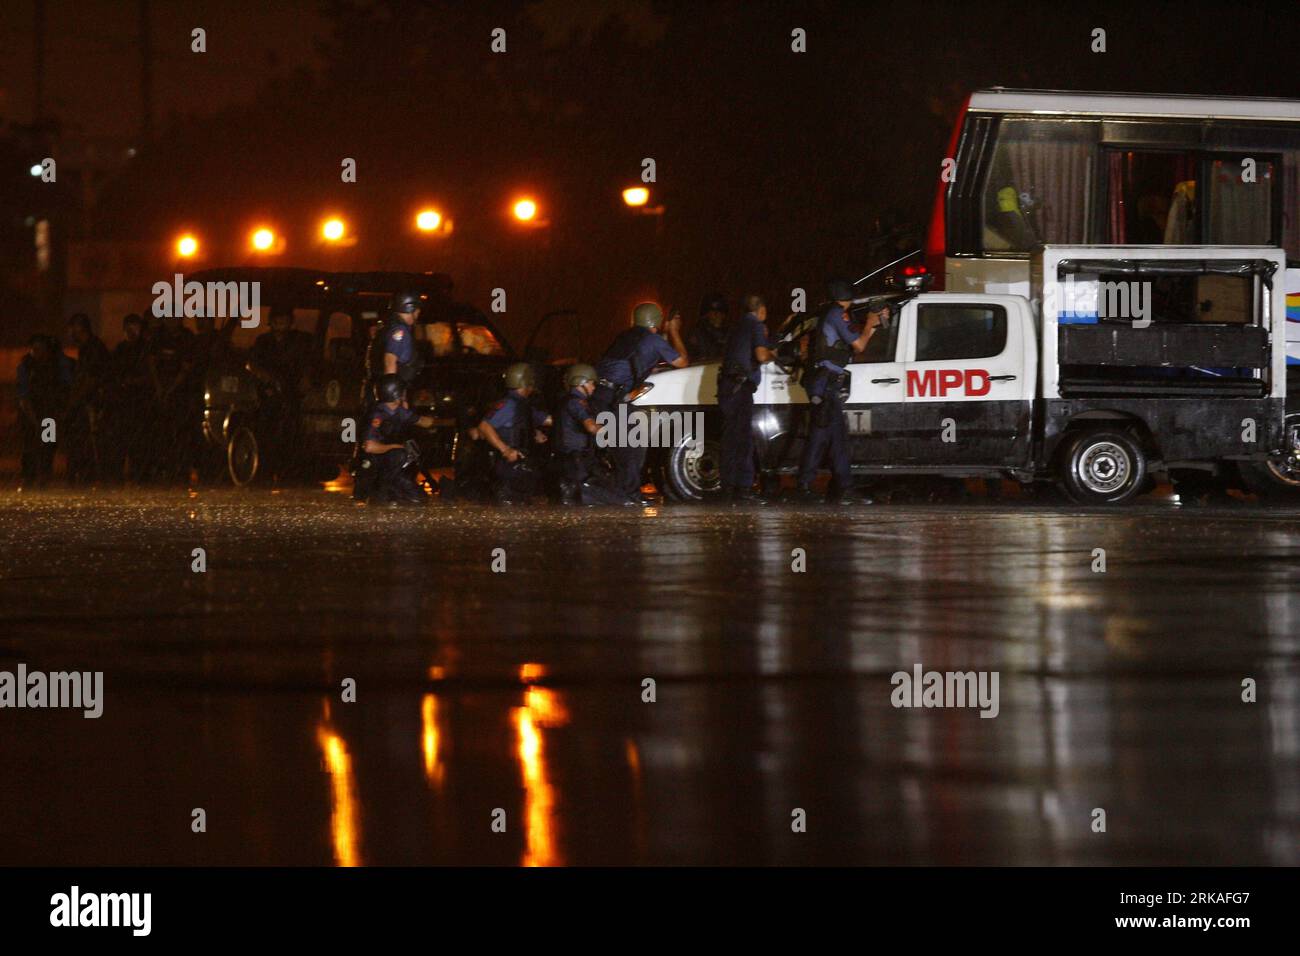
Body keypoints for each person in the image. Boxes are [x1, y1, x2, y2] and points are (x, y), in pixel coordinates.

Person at [794, 280, 884, 504]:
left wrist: (871, 322)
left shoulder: (830, 313)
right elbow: (859, 345)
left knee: (828, 438)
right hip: (825, 384)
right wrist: (871, 324)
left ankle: (820, 486)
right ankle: (832, 488)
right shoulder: (837, 314)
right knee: (829, 438)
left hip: (824, 384)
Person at [592, 302, 689, 503]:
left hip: (599, 394)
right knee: (632, 448)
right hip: (616, 398)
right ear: (656, 322)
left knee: (618, 448)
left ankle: (621, 493)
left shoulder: (626, 337)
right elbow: (682, 361)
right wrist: (673, 331)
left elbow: (640, 364)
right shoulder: (652, 339)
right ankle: (627, 496)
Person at [718, 294, 776, 503]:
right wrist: (773, 354)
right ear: (761, 310)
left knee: (730, 440)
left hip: (727, 386)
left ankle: (728, 487)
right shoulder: (756, 325)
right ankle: (743, 488)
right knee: (743, 441)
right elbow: (761, 355)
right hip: (741, 389)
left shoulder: (736, 327)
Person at [246, 307, 313, 482]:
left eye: (284, 321)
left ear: (290, 323)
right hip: (268, 392)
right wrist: (266, 378)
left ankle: (288, 468)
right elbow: (252, 364)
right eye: (277, 321)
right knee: (267, 430)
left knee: (291, 430)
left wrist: (304, 379)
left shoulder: (299, 341)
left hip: (291, 391)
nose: (280, 325)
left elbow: (307, 363)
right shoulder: (263, 341)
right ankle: (266, 468)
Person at [476, 363, 551, 504]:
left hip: (519, 467)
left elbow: (545, 420)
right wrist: (505, 449)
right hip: (509, 467)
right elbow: (484, 426)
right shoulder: (510, 404)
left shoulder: (521, 404)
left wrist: (533, 434)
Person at [355, 374, 435, 505]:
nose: (405, 394)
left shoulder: (398, 410)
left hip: (388, 459)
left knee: (409, 452)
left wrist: (441, 420)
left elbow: (423, 421)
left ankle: (391, 491)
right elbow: (370, 447)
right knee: (400, 454)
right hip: (373, 461)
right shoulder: (377, 415)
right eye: (402, 392)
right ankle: (380, 491)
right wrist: (394, 447)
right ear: (396, 395)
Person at [554, 363, 624, 505]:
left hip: (570, 460)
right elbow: (591, 427)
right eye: (592, 384)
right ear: (581, 382)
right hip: (577, 461)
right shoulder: (576, 402)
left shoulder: (565, 400)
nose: (593, 387)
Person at [16, 334, 71, 488]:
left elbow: (64, 389)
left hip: (48, 414)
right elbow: (23, 396)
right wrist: (34, 420)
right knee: (29, 447)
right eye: (35, 349)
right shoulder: (25, 366)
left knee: (47, 446)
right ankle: (28, 478)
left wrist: (57, 412)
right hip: (30, 414)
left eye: (41, 349)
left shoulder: (56, 365)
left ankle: (43, 478)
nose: (38, 353)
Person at [102, 314, 152, 483]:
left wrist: (135, 381)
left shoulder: (145, 349)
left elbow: (150, 375)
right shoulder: (120, 350)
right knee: (121, 445)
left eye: (135, 327)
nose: (132, 331)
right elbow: (111, 375)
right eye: (129, 327)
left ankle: (139, 477)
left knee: (139, 446)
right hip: (122, 405)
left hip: (140, 404)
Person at [146, 311, 195, 482]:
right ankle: (162, 468)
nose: (172, 321)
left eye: (175, 318)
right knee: (160, 432)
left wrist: (172, 388)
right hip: (160, 390)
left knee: (180, 432)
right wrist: (159, 387)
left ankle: (181, 469)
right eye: (169, 318)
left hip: (180, 393)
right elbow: (152, 363)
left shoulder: (187, 337)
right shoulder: (158, 337)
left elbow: (186, 367)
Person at [63, 314, 111, 485]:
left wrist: (76, 399)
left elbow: (92, 378)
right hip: (90, 402)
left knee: (93, 443)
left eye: (72, 329)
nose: (70, 333)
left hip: (95, 403)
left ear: (79, 328)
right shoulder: (87, 347)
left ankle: (95, 478)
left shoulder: (92, 348)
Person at [378, 290, 424, 387]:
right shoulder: (400, 331)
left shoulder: (393, 325)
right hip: (395, 391)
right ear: (410, 308)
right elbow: (390, 361)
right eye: (417, 310)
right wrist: (393, 394)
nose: (418, 313)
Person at [687, 293, 730, 361]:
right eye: (714, 312)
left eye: (720, 312)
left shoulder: (729, 332)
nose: (718, 315)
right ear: (707, 313)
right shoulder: (698, 332)